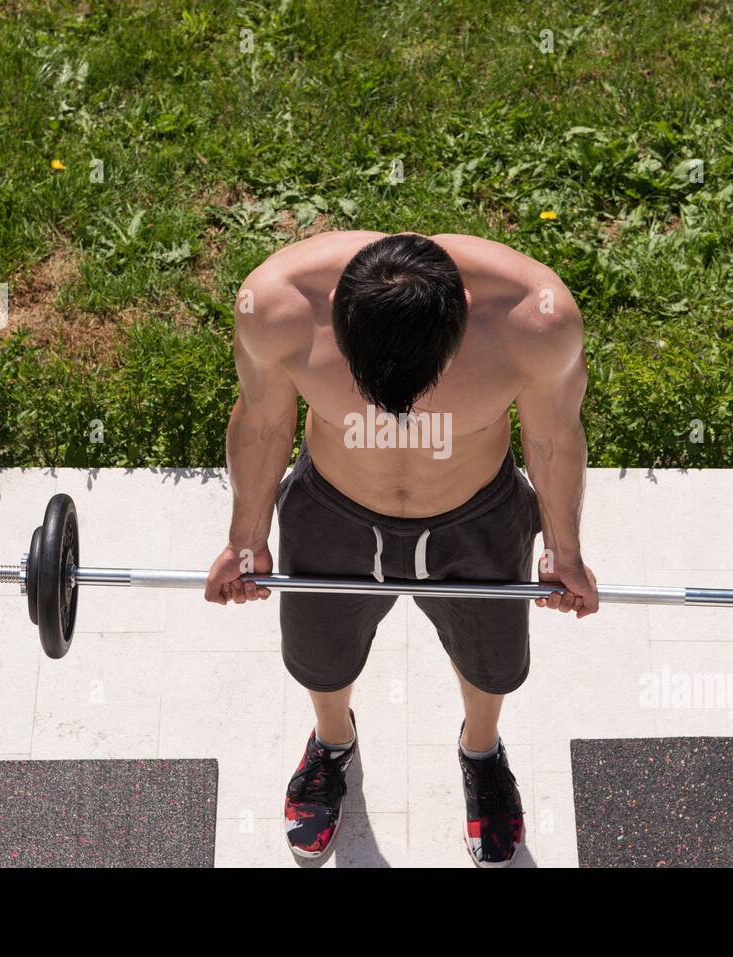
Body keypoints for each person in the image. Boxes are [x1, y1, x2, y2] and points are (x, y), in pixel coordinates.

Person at [204, 231, 597, 866]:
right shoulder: (277, 307)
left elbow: (553, 437)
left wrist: (564, 551)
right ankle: (333, 744)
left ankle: (482, 749)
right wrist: (245, 539)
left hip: (476, 517)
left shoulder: (534, 319)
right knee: (320, 655)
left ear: (463, 314)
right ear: (335, 309)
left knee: (491, 660)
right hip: (334, 510)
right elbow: (264, 419)